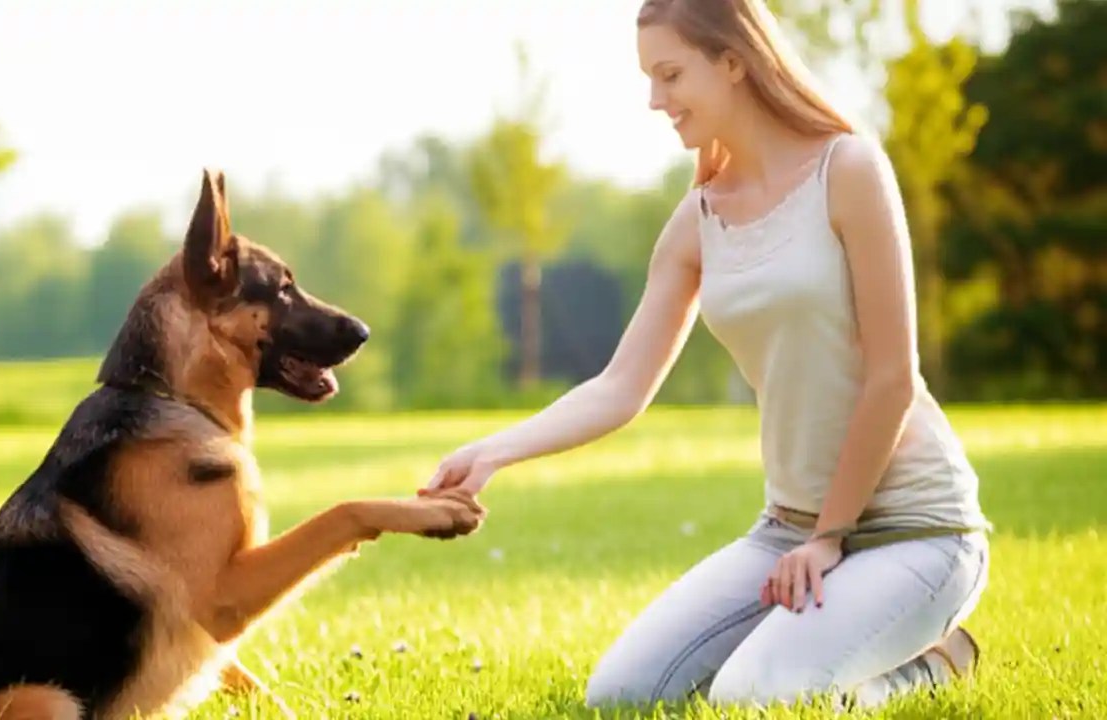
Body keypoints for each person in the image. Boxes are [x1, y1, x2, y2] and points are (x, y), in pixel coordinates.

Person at [420, 0, 991, 711]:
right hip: (788, 527)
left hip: (916, 528)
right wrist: (494, 452)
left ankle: (930, 664)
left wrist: (830, 536)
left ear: (733, 61)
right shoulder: (700, 219)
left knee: (754, 697)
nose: (654, 101)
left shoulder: (848, 169)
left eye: (669, 75)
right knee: (620, 695)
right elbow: (619, 387)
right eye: (649, 79)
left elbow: (892, 379)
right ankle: (846, 631)